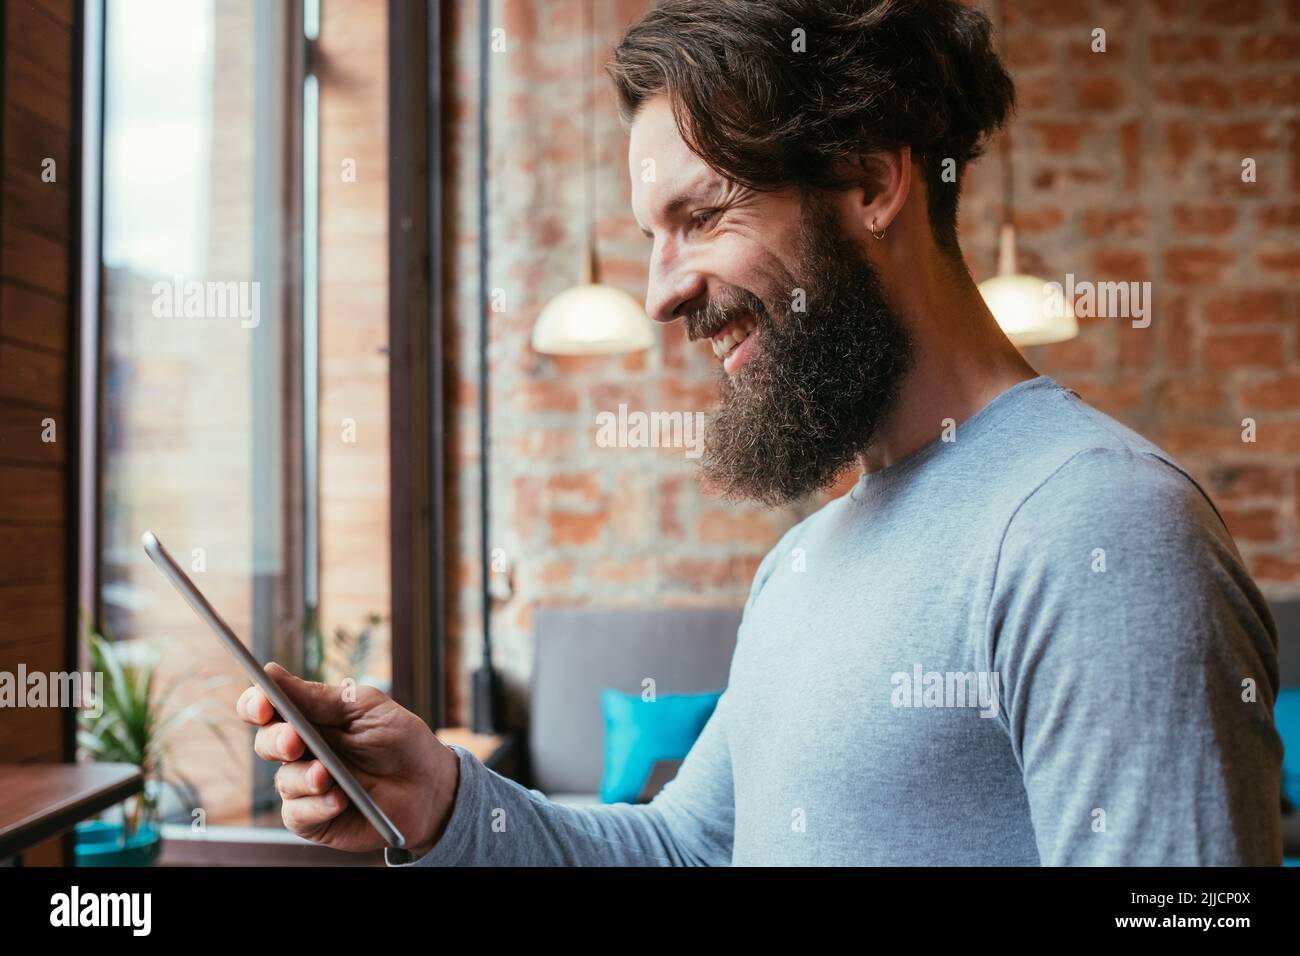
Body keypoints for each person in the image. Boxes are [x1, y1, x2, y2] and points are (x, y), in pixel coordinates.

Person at [238, 0, 1283, 865]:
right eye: (651, 238)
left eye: (703, 216)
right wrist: (445, 795)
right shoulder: (800, 563)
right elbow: (689, 848)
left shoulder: (1099, 529)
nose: (661, 295)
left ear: (872, 177)